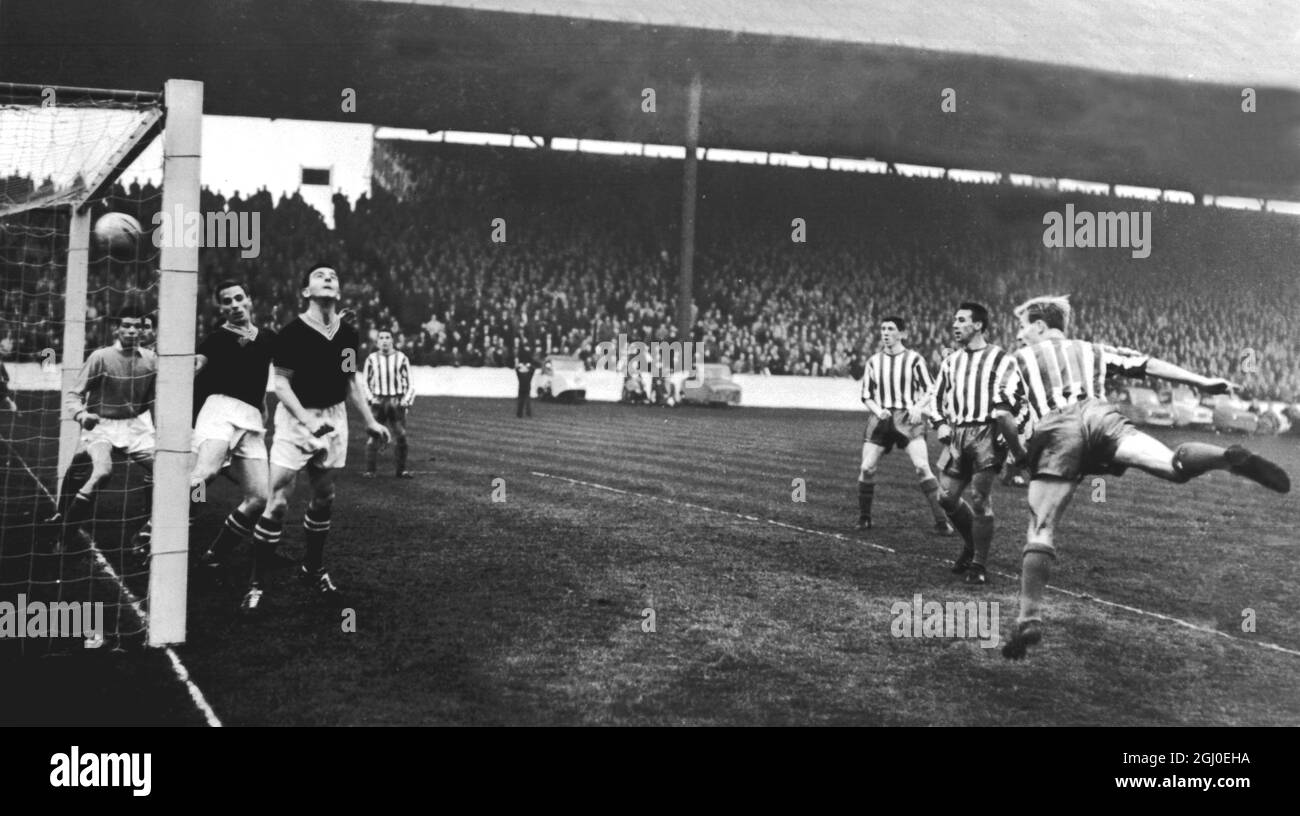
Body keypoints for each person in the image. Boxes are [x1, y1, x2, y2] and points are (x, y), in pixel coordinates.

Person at [996, 295, 1290, 659]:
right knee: (1174, 467)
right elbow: (1147, 363)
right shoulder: (1093, 349)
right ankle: (1226, 457)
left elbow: (1002, 415)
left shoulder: (1018, 359)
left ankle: (1028, 619)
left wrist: (1023, 456)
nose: (1020, 335)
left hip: (1058, 427)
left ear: (1040, 325)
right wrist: (1203, 380)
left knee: (1041, 526)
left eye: (1023, 326)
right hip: (1103, 418)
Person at [247, 262, 391, 614]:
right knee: (278, 501)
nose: (328, 278)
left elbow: (350, 381)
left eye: (333, 277)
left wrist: (370, 421)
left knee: (324, 498)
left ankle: (313, 569)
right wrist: (307, 421)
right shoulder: (291, 333)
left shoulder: (346, 334)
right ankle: (256, 582)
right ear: (306, 291)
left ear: (338, 293)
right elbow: (280, 385)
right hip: (298, 420)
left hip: (333, 417)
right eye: (319, 276)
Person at [186, 280, 277, 614]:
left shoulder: (266, 337)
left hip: (252, 418)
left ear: (249, 301)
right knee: (204, 473)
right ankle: (162, 526)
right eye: (227, 301)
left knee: (258, 499)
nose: (236, 304)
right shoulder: (217, 338)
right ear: (220, 309)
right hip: (220, 409)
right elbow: (198, 363)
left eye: (240, 298)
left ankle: (212, 557)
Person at [925, 302, 1018, 584]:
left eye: (962, 320)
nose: (955, 325)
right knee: (945, 497)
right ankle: (971, 544)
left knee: (979, 500)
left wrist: (1010, 427)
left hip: (987, 435)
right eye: (954, 320)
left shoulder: (1002, 360)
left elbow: (1018, 398)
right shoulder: (951, 361)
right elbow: (935, 398)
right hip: (957, 434)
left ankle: (978, 564)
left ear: (978, 325)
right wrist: (940, 423)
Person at [60, 306, 156, 551]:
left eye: (137, 326)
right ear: (116, 329)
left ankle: (149, 528)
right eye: (126, 325)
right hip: (101, 425)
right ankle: (64, 532)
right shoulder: (100, 357)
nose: (132, 330)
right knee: (102, 472)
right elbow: (73, 395)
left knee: (169, 473)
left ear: (144, 330)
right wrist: (82, 415)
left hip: (135, 427)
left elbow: (153, 398)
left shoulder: (151, 360)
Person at [855, 316, 952, 535]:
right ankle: (864, 519)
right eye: (883, 329)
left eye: (891, 329)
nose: (885, 333)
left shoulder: (914, 360)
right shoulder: (873, 361)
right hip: (882, 418)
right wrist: (878, 410)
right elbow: (866, 395)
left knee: (922, 467)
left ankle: (941, 521)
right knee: (866, 468)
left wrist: (918, 407)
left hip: (908, 418)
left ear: (902, 334)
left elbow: (931, 389)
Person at [362, 330, 415, 478]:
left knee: (401, 435)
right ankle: (370, 471)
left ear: (392, 340)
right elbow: (365, 383)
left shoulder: (402, 358)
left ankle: (401, 470)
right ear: (377, 341)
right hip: (378, 402)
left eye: (387, 337)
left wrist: (406, 401)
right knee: (374, 436)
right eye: (381, 338)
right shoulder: (372, 359)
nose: (384, 341)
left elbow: (410, 383)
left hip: (395, 401)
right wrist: (371, 399)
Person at [515, 348, 537, 418]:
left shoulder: (520, 374)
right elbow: (533, 369)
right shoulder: (529, 374)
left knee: (522, 402)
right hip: (526, 388)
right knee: (526, 402)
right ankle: (527, 414)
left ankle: (520, 414)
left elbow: (517, 369)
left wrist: (520, 366)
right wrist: (529, 366)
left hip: (522, 388)